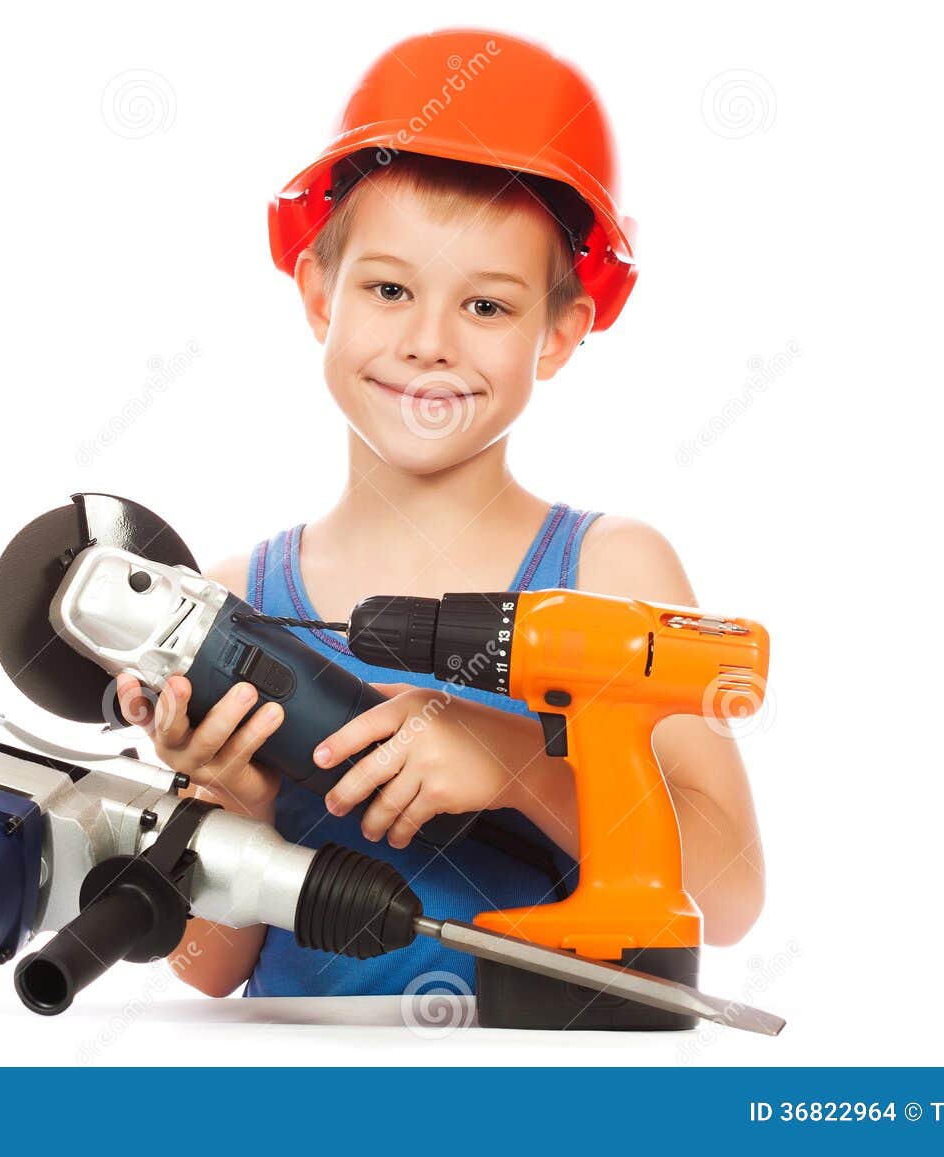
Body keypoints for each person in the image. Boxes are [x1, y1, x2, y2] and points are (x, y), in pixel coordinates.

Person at [114, 28, 765, 999]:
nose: (427, 341)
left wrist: (506, 761)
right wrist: (233, 798)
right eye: (387, 289)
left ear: (558, 332)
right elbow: (211, 973)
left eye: (488, 308)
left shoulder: (611, 571)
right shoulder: (231, 599)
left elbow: (729, 892)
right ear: (316, 292)